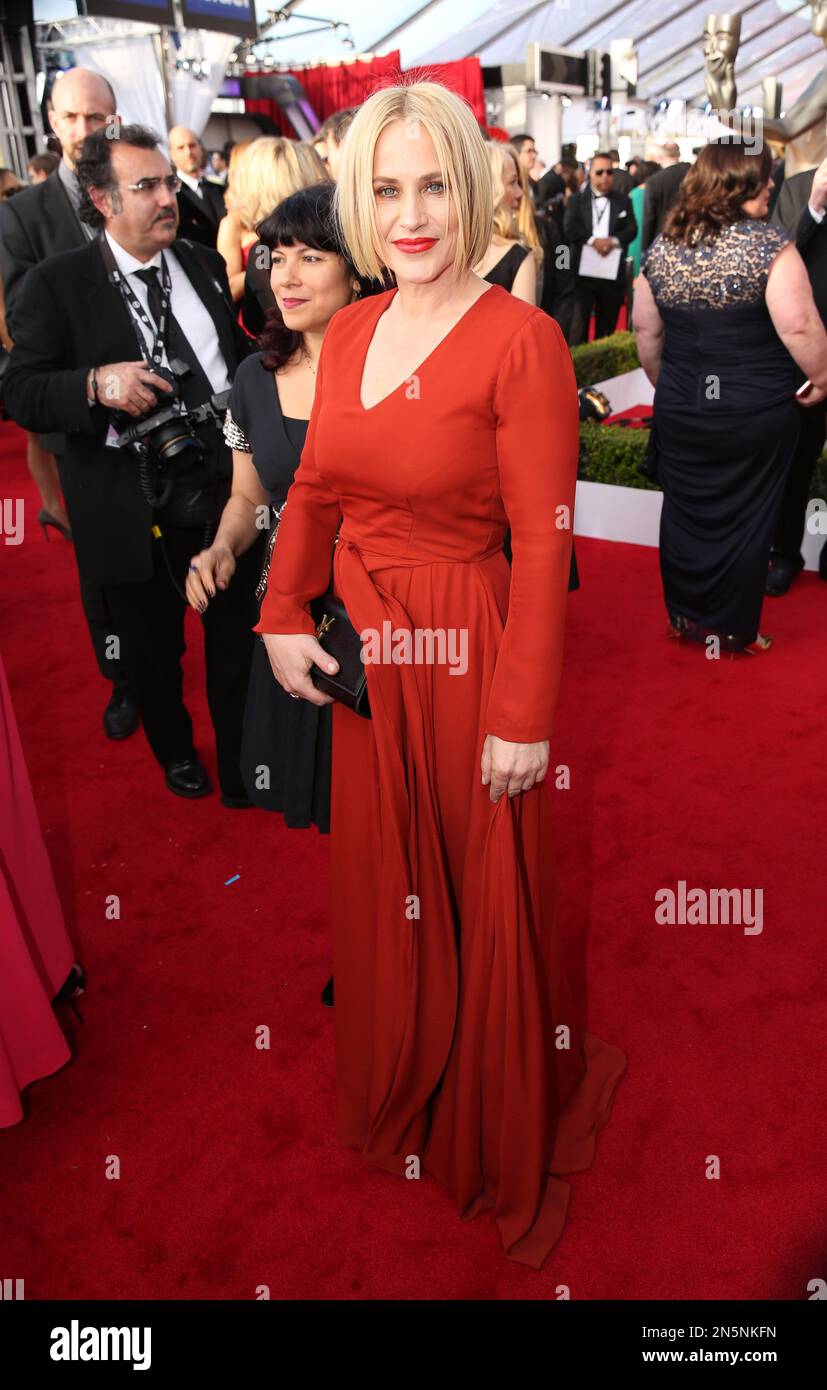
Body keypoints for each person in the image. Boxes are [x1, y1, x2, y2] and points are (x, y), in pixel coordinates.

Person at [256, 80, 625, 1268]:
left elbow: (545, 541)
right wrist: (277, 606)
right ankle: (408, 1069)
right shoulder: (354, 327)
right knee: (386, 875)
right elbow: (314, 487)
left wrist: (523, 715)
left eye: (429, 185)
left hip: (469, 654)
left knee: (477, 886)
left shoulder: (522, 344)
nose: (409, 215)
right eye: (383, 190)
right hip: (373, 658)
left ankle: (483, 1116)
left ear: (466, 187)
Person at [3, 125, 259, 803]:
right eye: (145, 186)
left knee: (237, 637)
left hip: (225, 491)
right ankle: (174, 750)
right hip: (130, 507)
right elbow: (20, 389)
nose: (166, 197)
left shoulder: (203, 263)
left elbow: (234, 360)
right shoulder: (56, 284)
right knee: (153, 654)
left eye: (169, 182)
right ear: (102, 199)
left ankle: (243, 766)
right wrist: (94, 386)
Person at [186, 183, 365, 834]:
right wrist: (223, 548)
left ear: (358, 270)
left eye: (311, 258)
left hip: (389, 613)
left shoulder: (396, 372)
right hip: (299, 620)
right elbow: (247, 495)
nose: (284, 277)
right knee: (333, 806)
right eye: (276, 255)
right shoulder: (252, 381)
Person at [633, 139, 827, 653]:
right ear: (737, 183)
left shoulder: (665, 247)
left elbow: (645, 334)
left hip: (681, 407)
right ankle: (736, 629)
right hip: (754, 412)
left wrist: (666, 385)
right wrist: (823, 377)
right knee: (746, 520)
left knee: (684, 513)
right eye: (762, 178)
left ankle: (683, 615)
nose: (771, 185)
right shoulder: (769, 247)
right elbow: (801, 327)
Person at [0, 66, 136, 740]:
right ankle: (122, 677)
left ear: (114, 119)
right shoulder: (22, 215)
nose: (84, 131)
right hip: (81, 420)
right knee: (102, 565)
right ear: (51, 122)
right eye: (72, 118)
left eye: (97, 117)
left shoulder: (139, 192)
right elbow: (21, 325)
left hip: (156, 406)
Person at [768, 146, 827, 591]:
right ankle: (785, 553)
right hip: (805, 356)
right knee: (796, 460)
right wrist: (815, 205)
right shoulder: (796, 188)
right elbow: (775, 255)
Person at [219, 138, 328, 310]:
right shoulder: (237, 225)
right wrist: (261, 264)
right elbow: (229, 288)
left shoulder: (320, 227)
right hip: (263, 321)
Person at [565, 151, 637, 344]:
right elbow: (569, 228)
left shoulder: (624, 201)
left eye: (609, 172)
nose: (605, 176)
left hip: (611, 275)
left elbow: (632, 230)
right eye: (600, 172)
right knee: (579, 326)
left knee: (607, 327)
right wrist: (593, 241)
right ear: (590, 173)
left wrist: (612, 241)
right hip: (583, 276)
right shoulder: (576, 201)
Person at [472, 142, 537, 302]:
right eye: (512, 182)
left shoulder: (441, 249)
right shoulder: (519, 257)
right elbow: (525, 327)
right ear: (492, 188)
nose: (520, 192)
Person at [168, 125, 226, 248]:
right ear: (172, 154)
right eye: (181, 148)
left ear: (200, 148)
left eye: (192, 145)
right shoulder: (170, 195)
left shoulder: (219, 188)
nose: (188, 152)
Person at [641, 142, 690, 251]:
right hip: (690, 240)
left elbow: (649, 219)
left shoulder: (654, 181)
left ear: (662, 156)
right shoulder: (693, 177)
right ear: (678, 155)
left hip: (661, 242)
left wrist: (645, 251)